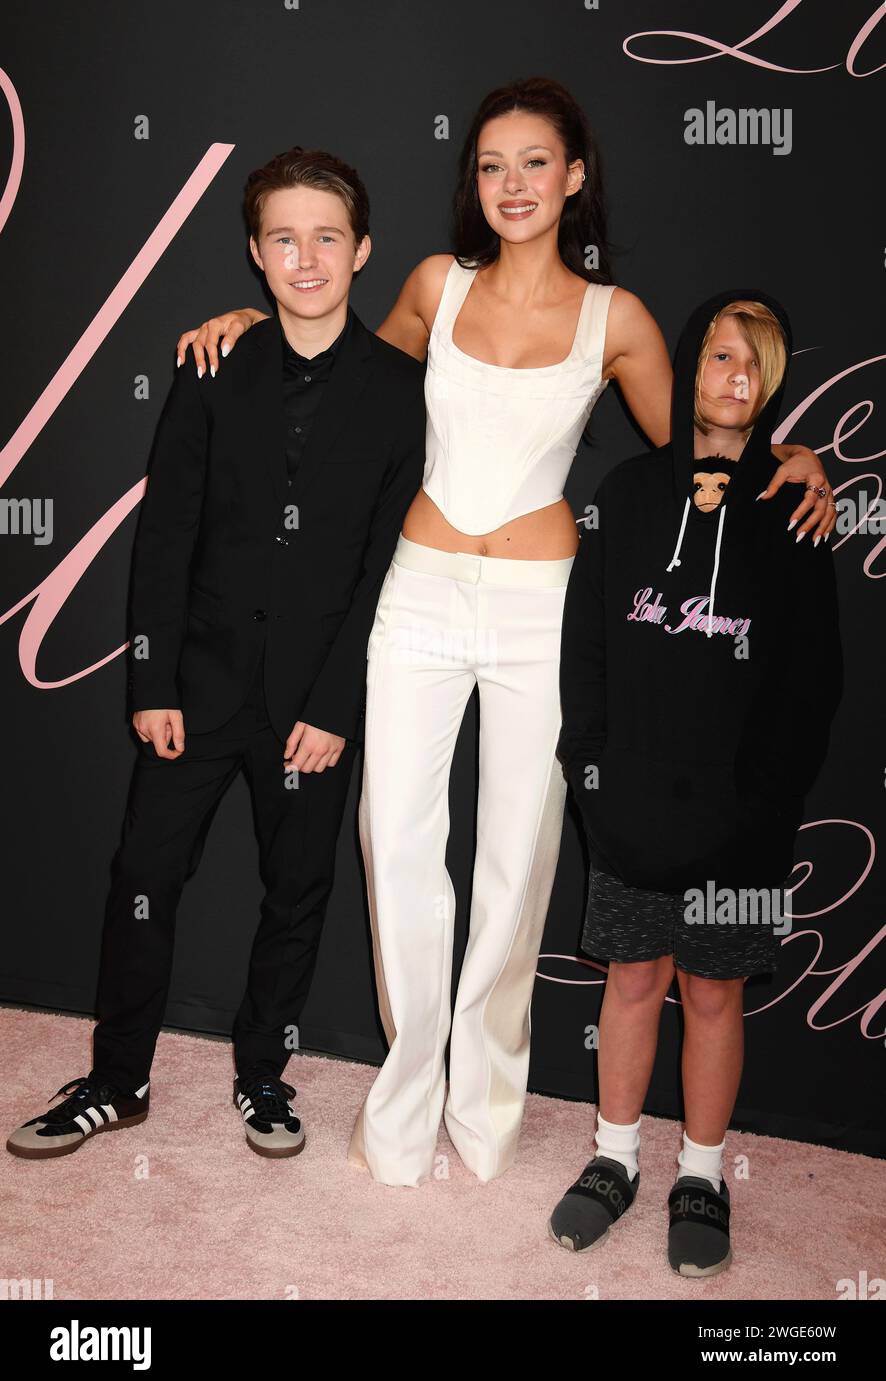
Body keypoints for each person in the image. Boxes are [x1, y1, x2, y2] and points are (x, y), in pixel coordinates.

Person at [174, 77, 836, 1188]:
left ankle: (485, 1105)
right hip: (418, 594)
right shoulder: (435, 284)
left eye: (534, 163)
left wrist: (793, 456)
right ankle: (404, 1096)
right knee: (396, 846)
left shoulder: (613, 316)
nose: (511, 185)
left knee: (515, 862)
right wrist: (253, 326)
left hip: (542, 610)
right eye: (490, 165)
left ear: (574, 176)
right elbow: (337, 374)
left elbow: (701, 443)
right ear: (470, 182)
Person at [6, 148, 426, 1161]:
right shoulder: (209, 366)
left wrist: (336, 704)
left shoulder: (401, 390)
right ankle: (117, 1078)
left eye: (327, 236)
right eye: (284, 237)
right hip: (194, 689)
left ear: (362, 250)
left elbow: (384, 563)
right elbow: (165, 537)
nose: (307, 256)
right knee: (142, 875)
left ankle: (265, 1078)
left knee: (296, 893)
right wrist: (149, 678)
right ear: (255, 253)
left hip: (311, 707)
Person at [550, 290, 842, 1274]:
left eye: (755, 363)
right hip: (628, 803)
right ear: (690, 367)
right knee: (631, 984)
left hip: (744, 822)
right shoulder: (628, 493)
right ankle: (612, 1158)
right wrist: (589, 772)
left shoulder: (794, 508)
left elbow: (813, 682)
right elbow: (584, 645)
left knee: (716, 997)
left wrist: (767, 804)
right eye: (719, 356)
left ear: (770, 385)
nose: (735, 378)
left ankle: (704, 1173)